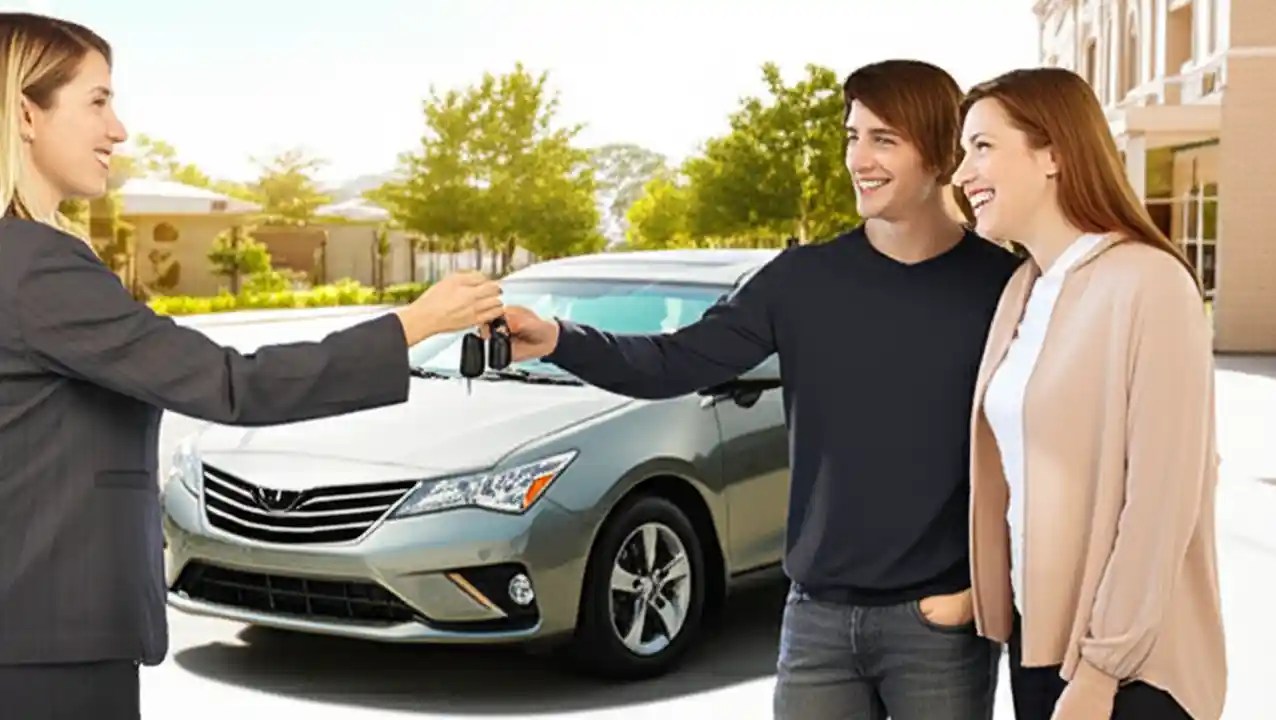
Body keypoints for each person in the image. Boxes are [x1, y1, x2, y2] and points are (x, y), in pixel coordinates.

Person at [0, 12, 504, 720]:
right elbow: (233, 383)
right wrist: (415, 324)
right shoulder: (36, 268)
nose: (119, 130)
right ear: (26, 111)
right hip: (46, 649)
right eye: (98, 100)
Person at [494, 60, 1021, 719]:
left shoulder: (1004, 287)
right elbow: (673, 362)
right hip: (818, 623)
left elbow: (1045, 460)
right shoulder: (801, 281)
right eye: (852, 135)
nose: (860, 158)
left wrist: (983, 590)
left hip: (939, 627)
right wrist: (556, 338)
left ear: (944, 151)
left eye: (884, 139)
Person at [951, 67, 1227, 720]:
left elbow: (1161, 501)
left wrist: (1103, 671)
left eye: (982, 147)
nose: (962, 175)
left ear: (1053, 153)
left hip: (1129, 676)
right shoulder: (1024, 290)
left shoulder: (1149, 284)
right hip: (1038, 647)